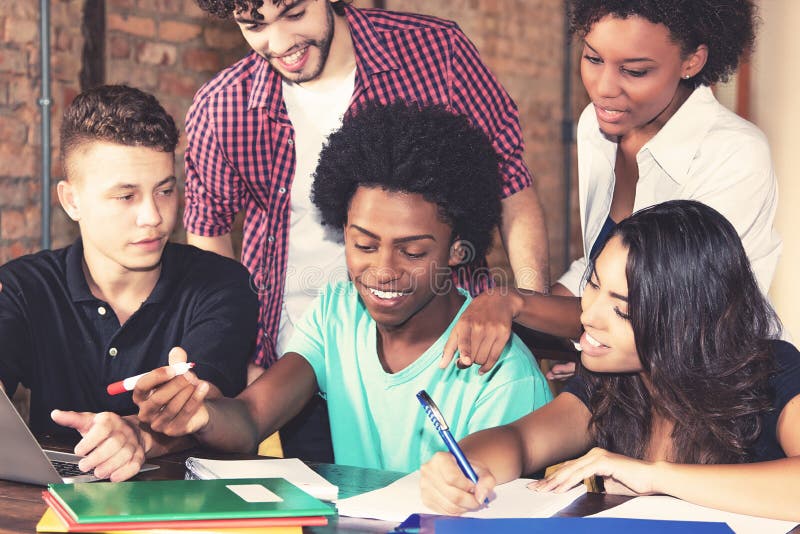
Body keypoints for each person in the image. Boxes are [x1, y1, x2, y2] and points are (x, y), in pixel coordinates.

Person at [134, 102, 552, 473]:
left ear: (458, 251)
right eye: (364, 245)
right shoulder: (337, 313)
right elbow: (250, 417)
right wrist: (199, 416)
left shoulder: (501, 374)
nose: (382, 271)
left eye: (411, 252)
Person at [183, 0, 549, 378]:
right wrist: (235, 357)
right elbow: (209, 234)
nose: (279, 44)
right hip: (295, 365)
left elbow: (512, 188)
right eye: (254, 26)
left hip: (448, 357)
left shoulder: (437, 54)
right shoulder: (222, 105)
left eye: (294, 15)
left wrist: (534, 322)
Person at [440, 0, 782, 378]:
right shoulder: (597, 128)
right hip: (628, 388)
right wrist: (528, 314)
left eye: (634, 71)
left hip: (713, 398)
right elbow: (596, 266)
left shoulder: (734, 156)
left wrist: (518, 304)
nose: (603, 89)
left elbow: (666, 316)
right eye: (593, 58)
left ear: (692, 61)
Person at [421, 200, 800, 521]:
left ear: (688, 323)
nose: (588, 317)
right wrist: (463, 466)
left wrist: (654, 477)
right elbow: (519, 441)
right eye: (594, 285)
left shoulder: (773, 370)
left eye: (622, 311)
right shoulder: (611, 383)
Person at [0, 85, 258, 481]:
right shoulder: (24, 288)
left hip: (185, 513)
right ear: (72, 201)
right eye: (126, 196)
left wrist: (140, 433)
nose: (153, 216)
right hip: (46, 508)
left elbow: (211, 410)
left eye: (165, 190)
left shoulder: (221, 285)